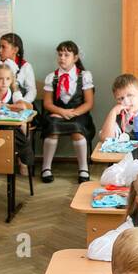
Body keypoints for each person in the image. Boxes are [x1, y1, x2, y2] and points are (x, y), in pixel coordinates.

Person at [39, 40, 95, 183]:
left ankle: (83, 168)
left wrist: (72, 113)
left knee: (77, 131)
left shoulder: (84, 76)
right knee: (52, 128)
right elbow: (47, 103)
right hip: (56, 112)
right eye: (60, 54)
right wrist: (61, 112)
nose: (62, 58)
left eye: (66, 55)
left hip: (78, 113)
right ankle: (46, 167)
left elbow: (89, 103)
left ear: (75, 58)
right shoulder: (52, 77)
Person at [0, 32, 36, 105]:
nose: (0, 50)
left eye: (3, 47)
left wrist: (21, 103)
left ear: (15, 50)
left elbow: (31, 91)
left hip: (19, 106)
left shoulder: (26, 66)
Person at [98, 73, 138, 141]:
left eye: (130, 95)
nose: (126, 102)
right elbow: (106, 139)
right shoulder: (118, 117)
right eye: (120, 98)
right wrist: (113, 112)